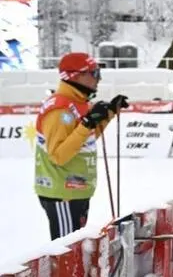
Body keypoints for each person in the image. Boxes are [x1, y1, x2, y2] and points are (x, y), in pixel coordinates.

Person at [35, 52, 129, 240]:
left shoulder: (78, 103)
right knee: (66, 249)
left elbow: (85, 139)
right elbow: (58, 155)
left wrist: (108, 114)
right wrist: (87, 124)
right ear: (76, 76)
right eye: (94, 73)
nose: (99, 78)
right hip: (61, 192)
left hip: (75, 189)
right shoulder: (60, 109)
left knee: (75, 247)